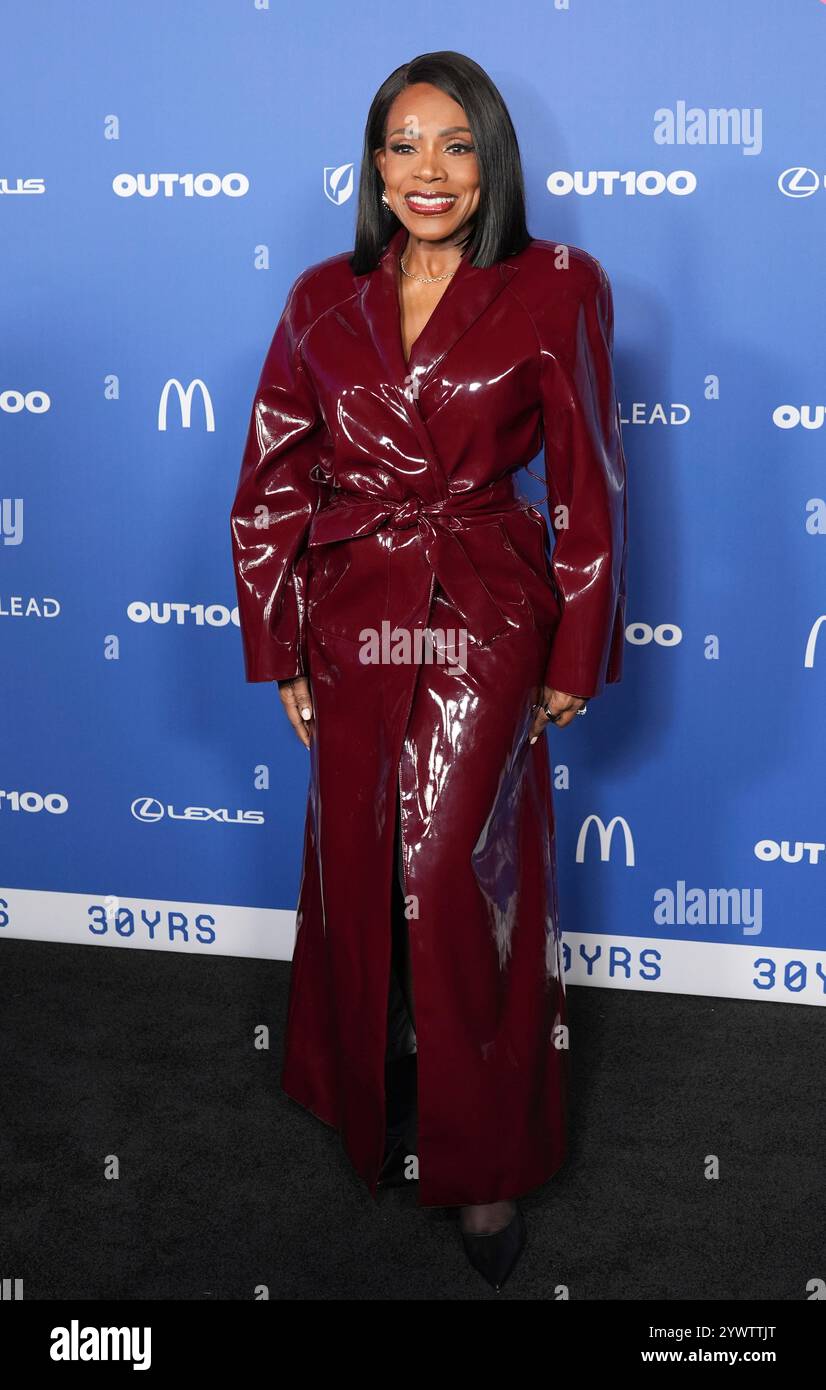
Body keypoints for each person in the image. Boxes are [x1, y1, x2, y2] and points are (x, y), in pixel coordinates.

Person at [230, 49, 628, 1292]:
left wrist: (576, 644)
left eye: (455, 144)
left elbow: (589, 478)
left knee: (459, 873)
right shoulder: (320, 294)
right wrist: (280, 642)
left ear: (491, 158)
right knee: (358, 857)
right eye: (404, 144)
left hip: (485, 610)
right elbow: (272, 482)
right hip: (351, 613)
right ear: (374, 163)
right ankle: (365, 1089)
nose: (429, 170)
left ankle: (486, 1156)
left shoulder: (556, 284)